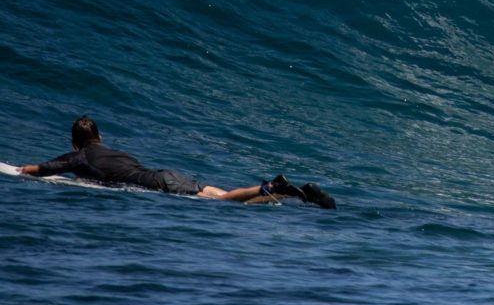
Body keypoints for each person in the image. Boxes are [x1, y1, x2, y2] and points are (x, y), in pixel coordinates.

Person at [12, 115, 336, 208]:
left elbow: (43, 170)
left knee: (224, 200)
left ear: (75, 141)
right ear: (101, 136)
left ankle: (271, 186)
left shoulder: (78, 155)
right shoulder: (117, 152)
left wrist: (22, 170)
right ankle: (296, 195)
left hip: (155, 185)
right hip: (163, 174)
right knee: (226, 196)